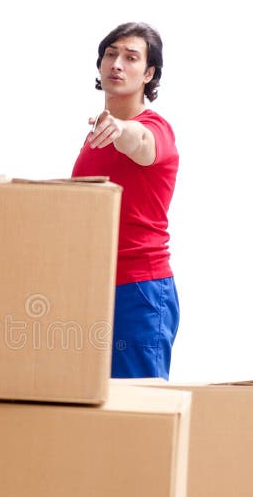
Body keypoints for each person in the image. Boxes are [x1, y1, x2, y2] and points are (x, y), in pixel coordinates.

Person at [71, 21, 179, 379]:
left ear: (149, 73)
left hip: (139, 290)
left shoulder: (155, 128)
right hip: (95, 286)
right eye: (111, 54)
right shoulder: (95, 137)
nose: (117, 64)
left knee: (137, 405)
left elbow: (140, 141)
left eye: (131, 58)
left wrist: (121, 129)